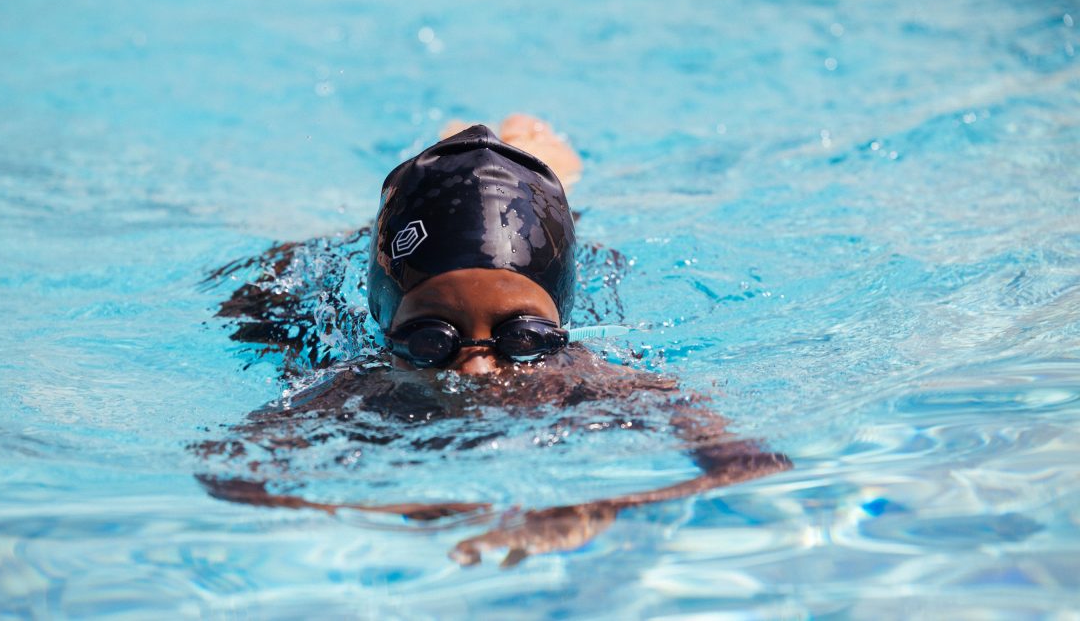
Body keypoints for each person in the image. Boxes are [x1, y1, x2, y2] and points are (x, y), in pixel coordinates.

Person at [195, 116, 791, 567]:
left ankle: (525, 159)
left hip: (519, 248)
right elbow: (226, 475)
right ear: (389, 324)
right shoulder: (352, 386)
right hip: (362, 265)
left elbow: (752, 466)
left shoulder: (594, 378)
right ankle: (449, 157)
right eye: (431, 339)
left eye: (522, 337)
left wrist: (603, 507)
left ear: (558, 327)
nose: (476, 372)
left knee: (548, 195)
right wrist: (403, 519)